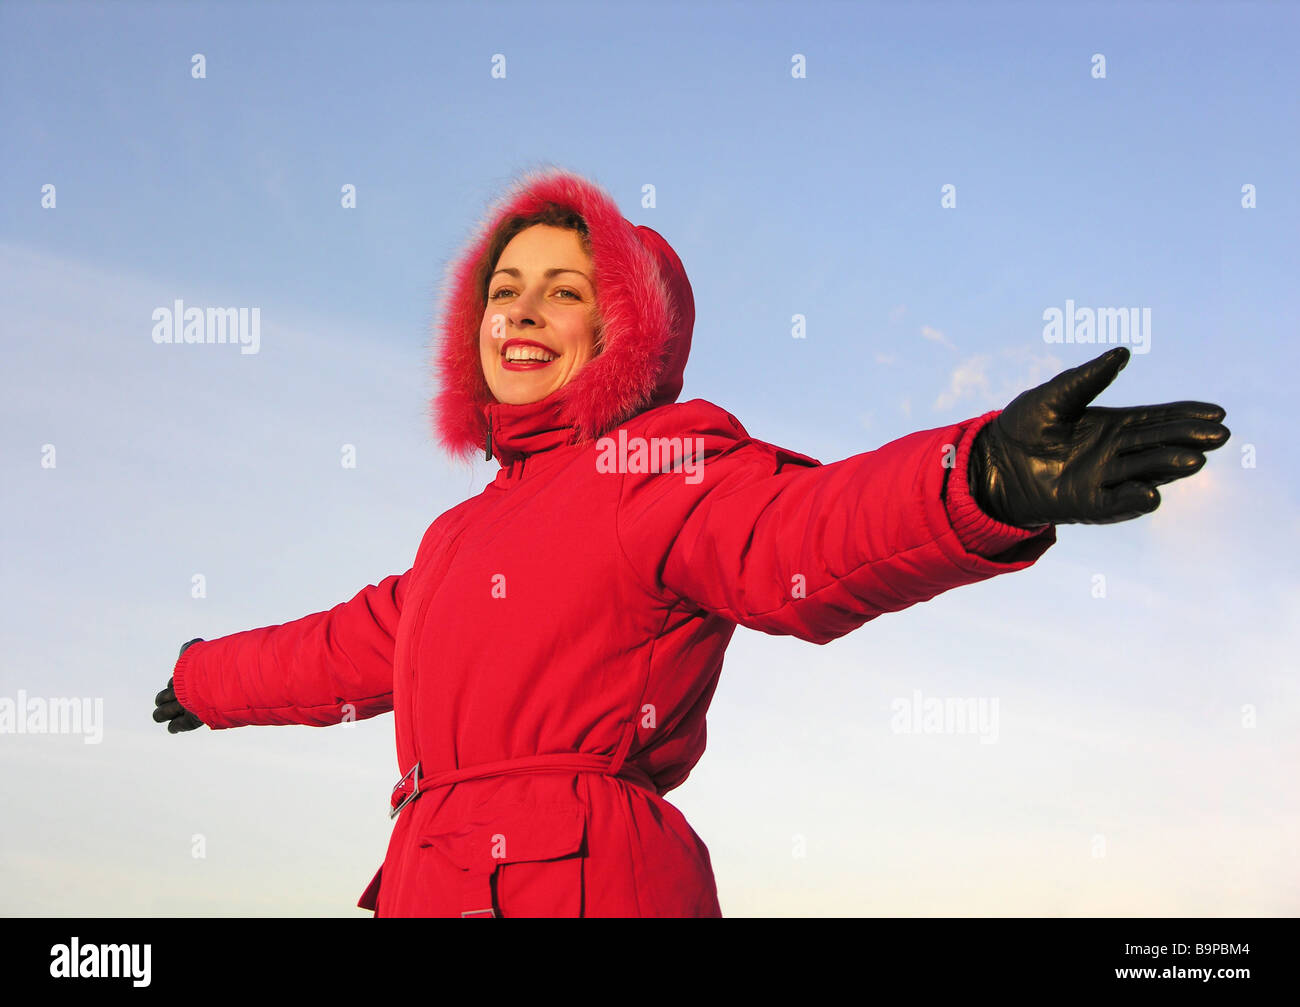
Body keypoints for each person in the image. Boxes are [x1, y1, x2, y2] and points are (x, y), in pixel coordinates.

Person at [153, 166, 1230, 917]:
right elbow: (339, 648)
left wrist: (977, 474)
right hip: (430, 880)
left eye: (563, 292)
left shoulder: (653, 467)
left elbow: (792, 535)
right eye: (503, 291)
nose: (520, 313)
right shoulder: (457, 538)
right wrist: (201, 679)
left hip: (584, 881)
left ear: (622, 327)